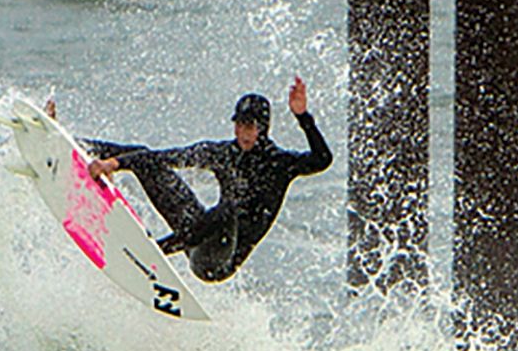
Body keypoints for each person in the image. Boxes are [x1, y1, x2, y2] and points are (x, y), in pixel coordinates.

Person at [84, 80, 332, 282]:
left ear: (263, 128)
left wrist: (303, 117)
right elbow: (168, 156)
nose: (242, 133)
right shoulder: (224, 153)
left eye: (249, 127)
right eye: (238, 125)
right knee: (146, 157)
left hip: (218, 261)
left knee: (228, 211)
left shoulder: (279, 164)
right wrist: (113, 163)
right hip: (194, 237)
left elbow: (322, 159)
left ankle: (152, 252)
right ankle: (85, 147)